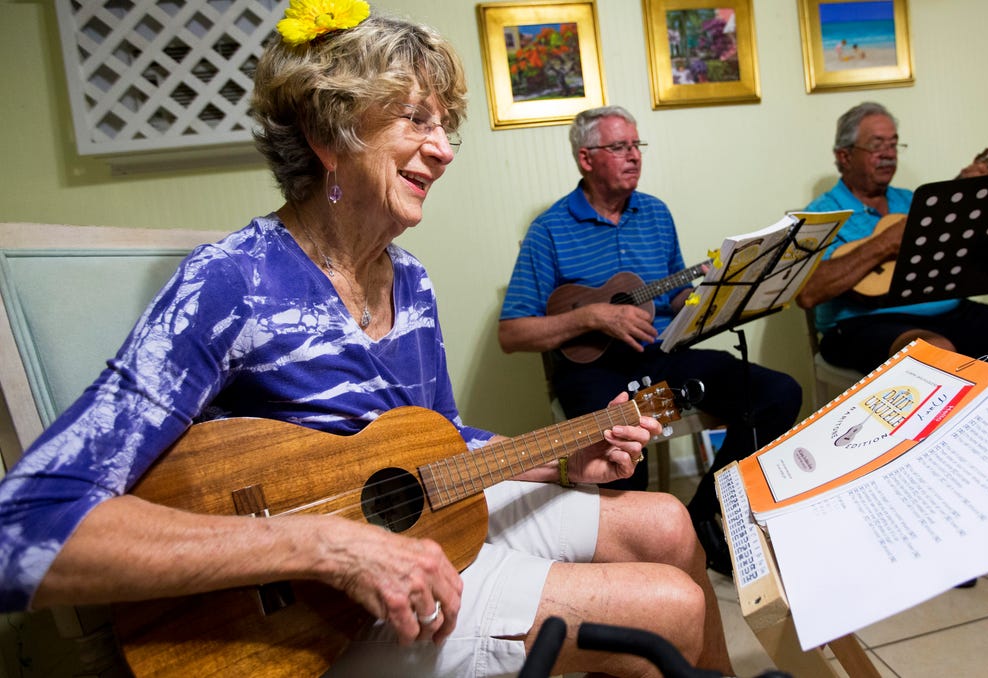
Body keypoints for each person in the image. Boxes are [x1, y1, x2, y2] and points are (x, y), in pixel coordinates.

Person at [0, 8, 737, 677]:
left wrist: (560, 455)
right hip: (311, 615)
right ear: (328, 134)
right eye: (416, 119)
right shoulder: (230, 283)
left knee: (669, 523)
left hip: (415, 536)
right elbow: (25, 525)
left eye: (447, 124)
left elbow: (437, 450)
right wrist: (325, 547)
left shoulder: (409, 282)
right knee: (664, 606)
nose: (444, 150)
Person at [498, 105, 804, 576]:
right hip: (592, 371)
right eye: (619, 147)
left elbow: (680, 295)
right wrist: (595, 316)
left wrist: (707, 299)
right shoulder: (550, 230)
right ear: (586, 158)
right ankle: (639, 565)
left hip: (662, 357)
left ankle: (704, 510)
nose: (634, 157)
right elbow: (512, 333)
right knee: (624, 444)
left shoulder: (656, 214)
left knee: (778, 393)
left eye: (636, 146)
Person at [797, 101, 988, 418]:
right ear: (845, 156)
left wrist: (972, 203)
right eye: (876, 145)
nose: (889, 153)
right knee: (935, 353)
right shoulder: (822, 213)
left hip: (950, 312)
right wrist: (884, 243)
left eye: (893, 143)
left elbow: (965, 256)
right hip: (860, 325)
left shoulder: (913, 200)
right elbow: (808, 292)